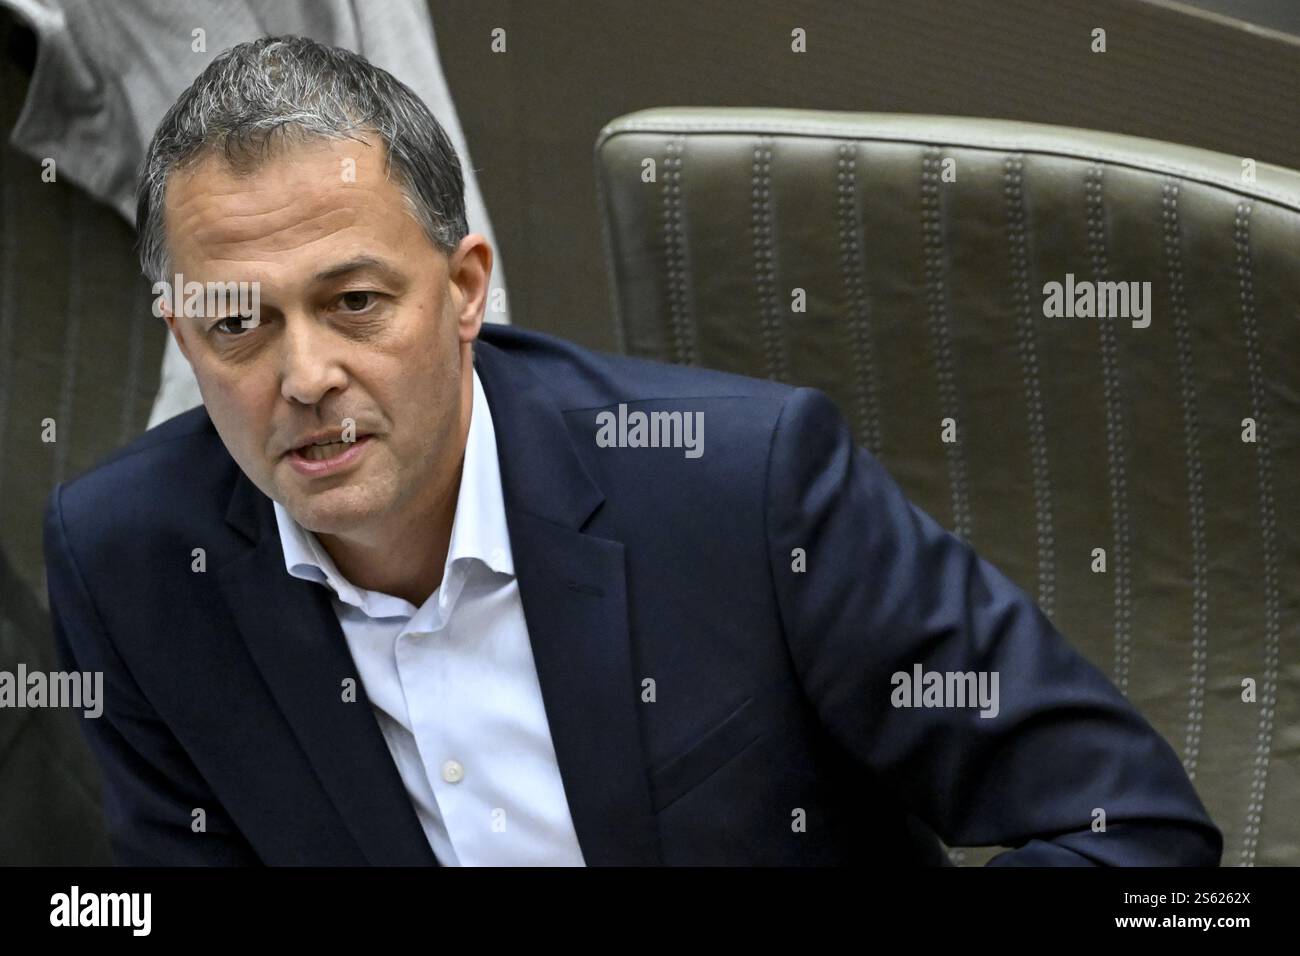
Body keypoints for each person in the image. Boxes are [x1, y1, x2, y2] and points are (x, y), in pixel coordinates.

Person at [43, 36, 1221, 866]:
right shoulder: (131, 558)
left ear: (464, 293)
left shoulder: (745, 490)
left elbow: (1134, 824)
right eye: (236, 323)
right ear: (180, 335)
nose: (302, 377)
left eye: (354, 301)